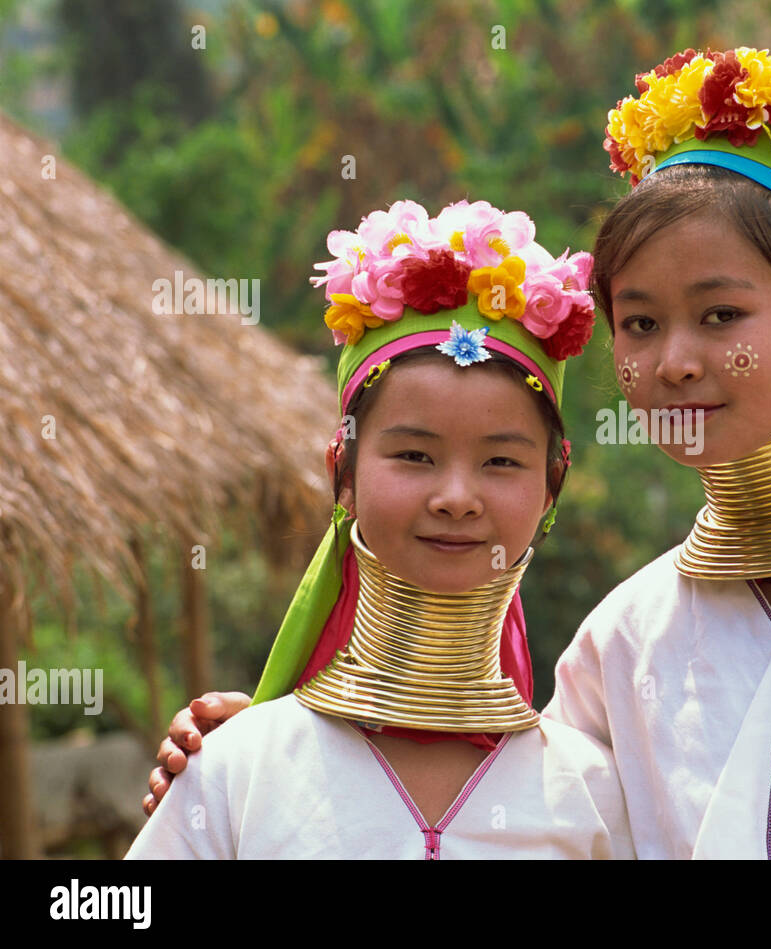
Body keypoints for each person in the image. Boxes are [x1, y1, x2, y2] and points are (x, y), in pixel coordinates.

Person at [147, 47, 771, 859]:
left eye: (721, 314)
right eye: (641, 322)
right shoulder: (619, 646)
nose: (676, 361)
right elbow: (500, 818)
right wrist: (269, 757)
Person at [127, 198, 631, 859]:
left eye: (501, 460)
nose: (456, 497)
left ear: (553, 483)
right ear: (343, 470)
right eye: (414, 455)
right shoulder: (236, 774)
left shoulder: (594, 795)